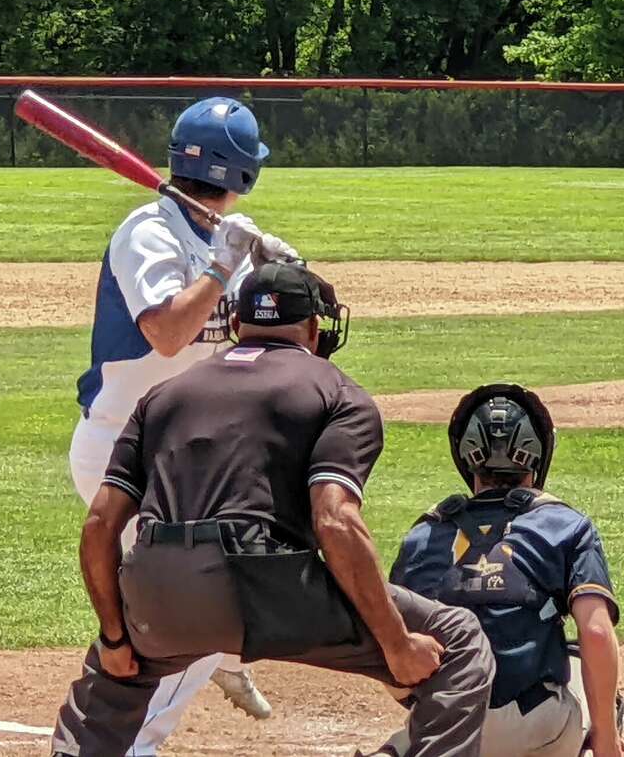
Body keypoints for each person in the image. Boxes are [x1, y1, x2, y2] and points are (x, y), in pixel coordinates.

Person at [51, 262, 495, 757]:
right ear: (314, 329)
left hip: (157, 589)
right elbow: (336, 522)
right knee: (458, 642)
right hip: (271, 589)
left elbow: (100, 525)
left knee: (107, 687)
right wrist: (397, 644)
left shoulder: (162, 396)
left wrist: (115, 638)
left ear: (236, 325)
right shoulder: (338, 392)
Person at [68, 96, 296, 746]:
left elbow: (276, 337)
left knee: (232, 585)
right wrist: (224, 266)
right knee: (201, 605)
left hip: (194, 458)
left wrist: (282, 274)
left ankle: (218, 656)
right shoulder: (149, 232)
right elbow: (168, 334)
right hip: (124, 450)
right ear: (244, 171)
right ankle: (134, 741)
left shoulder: (231, 239)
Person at [377, 384, 624, 757]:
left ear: (466, 456)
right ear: (536, 455)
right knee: (587, 671)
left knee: (412, 730)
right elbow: (595, 631)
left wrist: (422, 704)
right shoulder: (565, 524)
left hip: (448, 727)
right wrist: (606, 738)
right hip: (537, 727)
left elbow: (388, 647)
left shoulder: (424, 535)